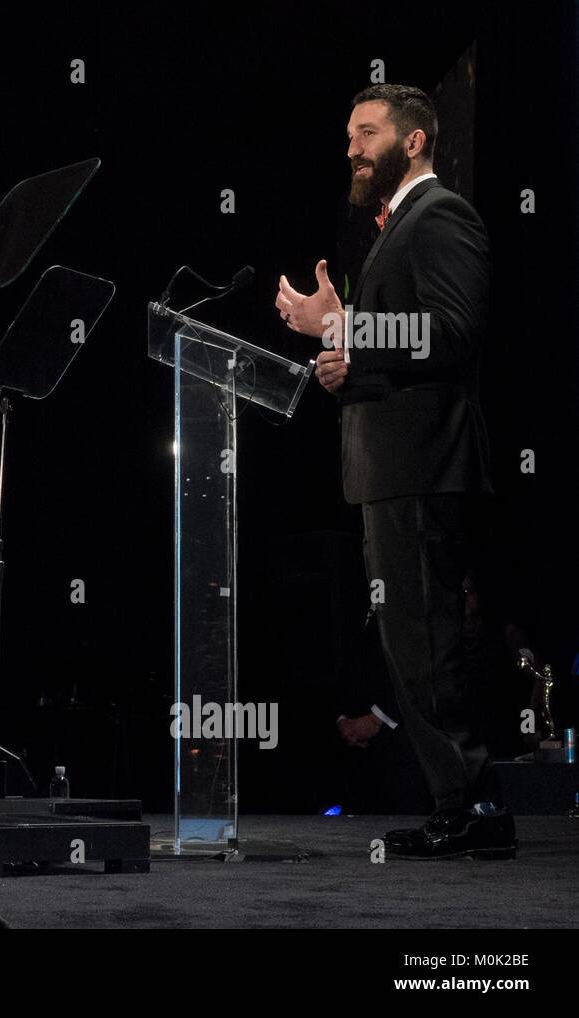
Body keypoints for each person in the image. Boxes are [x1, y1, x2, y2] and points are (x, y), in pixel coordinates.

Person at [275, 84, 510, 859]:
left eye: (366, 132)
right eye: (348, 134)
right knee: (410, 644)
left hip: (423, 463)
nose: (351, 148)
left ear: (412, 142)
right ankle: (458, 804)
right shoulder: (391, 226)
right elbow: (402, 349)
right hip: (388, 465)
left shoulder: (441, 215)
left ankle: (476, 806)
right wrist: (346, 367)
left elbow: (455, 332)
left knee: (428, 639)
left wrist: (341, 324)